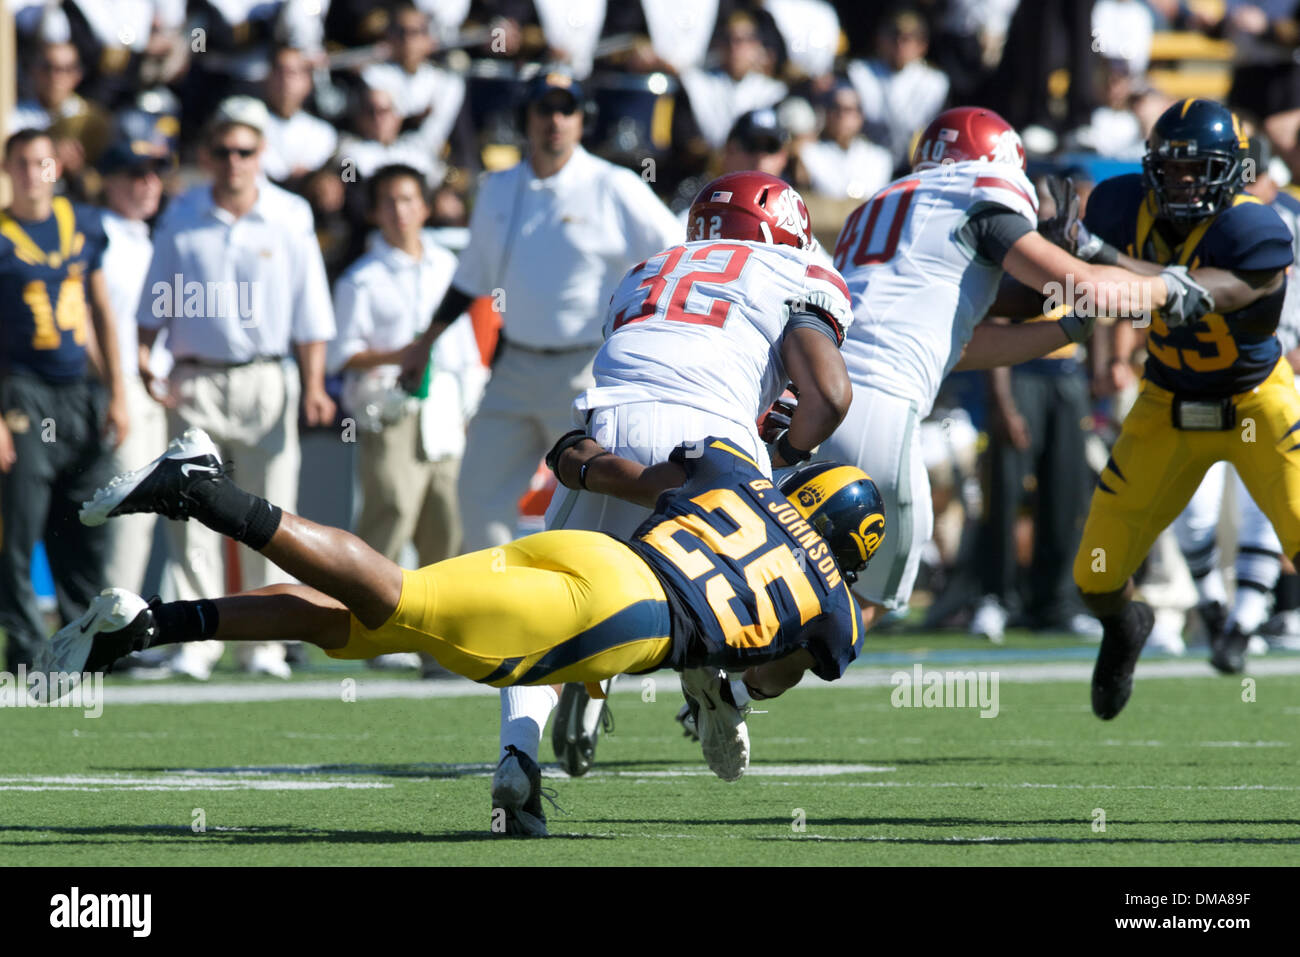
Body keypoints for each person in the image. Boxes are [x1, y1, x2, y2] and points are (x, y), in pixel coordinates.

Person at [62, 428, 884, 838]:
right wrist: (730, 686)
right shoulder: (837, 607)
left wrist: (573, 457)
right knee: (393, 595)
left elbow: (621, 473)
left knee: (364, 626)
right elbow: (786, 669)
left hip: (589, 551)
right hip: (620, 620)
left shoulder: (739, 471)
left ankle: (147, 623)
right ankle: (204, 491)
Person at [824, 106, 1192, 647]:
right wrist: (1176, 287)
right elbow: (1093, 286)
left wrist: (1065, 329)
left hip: (813, 394)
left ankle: (730, 673)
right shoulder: (979, 196)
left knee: (806, 570)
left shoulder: (886, 209)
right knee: (870, 599)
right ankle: (743, 682)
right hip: (880, 404)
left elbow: (956, 345)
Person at [539, 171, 854, 801]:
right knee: (801, 607)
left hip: (603, 425)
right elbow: (831, 396)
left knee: (552, 607)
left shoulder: (646, 268)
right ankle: (723, 678)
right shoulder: (795, 274)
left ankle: (522, 751)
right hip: (714, 442)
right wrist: (782, 456)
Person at [1073, 101, 1296, 715]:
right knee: (1095, 576)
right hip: (1166, 402)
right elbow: (1071, 276)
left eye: (1196, 170)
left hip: (1255, 402)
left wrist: (1104, 257)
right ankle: (1127, 628)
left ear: (1229, 173)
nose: (1181, 183)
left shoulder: (1256, 230)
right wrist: (1054, 242)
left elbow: (1202, 295)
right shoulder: (1119, 207)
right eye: (1170, 171)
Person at [136, 95, 337, 681]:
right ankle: (195, 643)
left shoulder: (291, 213)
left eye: (245, 150)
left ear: (261, 153)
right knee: (188, 512)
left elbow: (311, 310)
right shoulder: (181, 213)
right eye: (222, 150)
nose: (233, 161)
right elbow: (155, 304)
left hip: (269, 375)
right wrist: (146, 363)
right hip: (194, 378)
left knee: (271, 514)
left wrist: (318, 382)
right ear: (207, 153)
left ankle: (265, 643)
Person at [330, 164, 485, 671]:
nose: (401, 212)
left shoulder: (448, 266)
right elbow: (341, 355)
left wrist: (471, 406)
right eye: (390, 202)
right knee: (390, 512)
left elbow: (463, 347)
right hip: (390, 410)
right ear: (376, 212)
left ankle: (437, 640)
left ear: (424, 207)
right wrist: (402, 355)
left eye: (409, 200)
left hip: (445, 409)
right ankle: (377, 633)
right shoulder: (362, 278)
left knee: (445, 521)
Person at [0, 128, 129, 672]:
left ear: (58, 167)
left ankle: (86, 643)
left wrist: (118, 393)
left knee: (89, 521)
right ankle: (28, 649)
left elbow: (101, 312)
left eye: (43, 162)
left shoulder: (85, 224)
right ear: (9, 168)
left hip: (81, 389)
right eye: (23, 162)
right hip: (22, 391)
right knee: (21, 526)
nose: (34, 173)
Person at [97, 139, 171, 598]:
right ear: (108, 180)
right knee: (124, 510)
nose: (147, 184)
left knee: (149, 515)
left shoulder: (156, 236)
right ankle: (110, 626)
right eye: (134, 173)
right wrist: (112, 391)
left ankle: (130, 624)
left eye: (154, 173)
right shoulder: (96, 235)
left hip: (157, 386)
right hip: (117, 386)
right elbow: (87, 319)